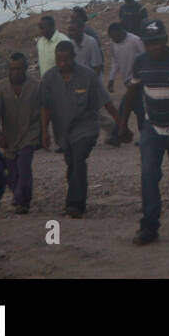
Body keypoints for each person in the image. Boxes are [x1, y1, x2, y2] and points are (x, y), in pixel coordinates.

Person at [117, 20, 169, 244]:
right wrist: (122, 123)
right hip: (152, 128)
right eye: (149, 43)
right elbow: (132, 92)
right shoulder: (141, 62)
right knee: (149, 176)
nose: (153, 47)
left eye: (157, 42)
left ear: (165, 40)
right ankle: (150, 226)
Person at [40, 41, 121, 219]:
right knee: (71, 163)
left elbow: (105, 101)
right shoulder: (48, 78)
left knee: (78, 159)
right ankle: (80, 202)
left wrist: (119, 122)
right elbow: (45, 107)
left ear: (73, 58)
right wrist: (44, 132)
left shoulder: (88, 76)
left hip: (86, 128)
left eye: (65, 60)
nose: (62, 64)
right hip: (63, 131)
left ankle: (73, 204)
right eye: (58, 60)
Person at [0, 52, 40, 215]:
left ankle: (22, 202)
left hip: (30, 133)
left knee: (24, 166)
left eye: (19, 69)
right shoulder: (1, 88)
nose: (16, 72)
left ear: (25, 68)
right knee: (11, 173)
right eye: (12, 69)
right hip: (9, 136)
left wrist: (44, 134)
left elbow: (44, 111)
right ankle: (19, 195)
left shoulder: (35, 86)